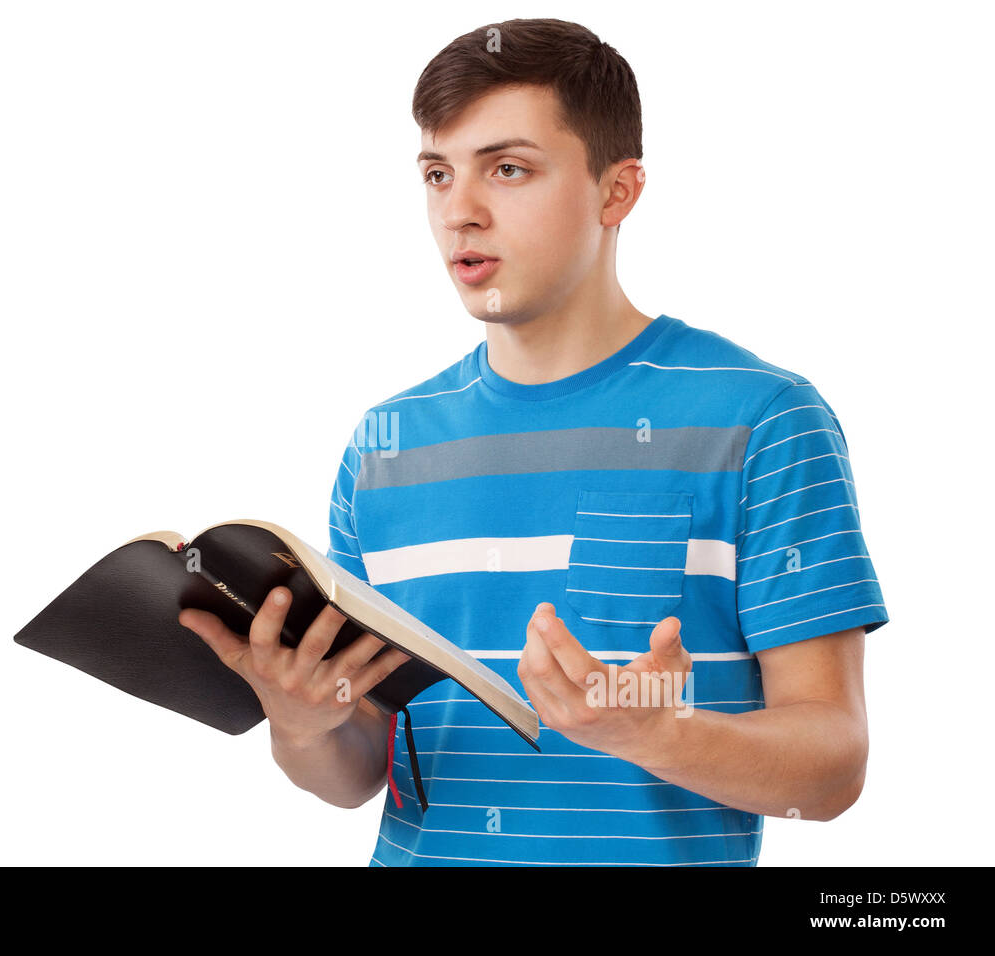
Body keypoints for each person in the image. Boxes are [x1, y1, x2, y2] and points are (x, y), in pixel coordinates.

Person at [180, 17, 888, 866]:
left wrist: (657, 734)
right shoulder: (384, 445)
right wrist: (304, 724)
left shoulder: (763, 419)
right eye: (438, 174)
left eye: (507, 169)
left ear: (616, 191)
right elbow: (356, 771)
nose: (460, 212)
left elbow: (834, 766)